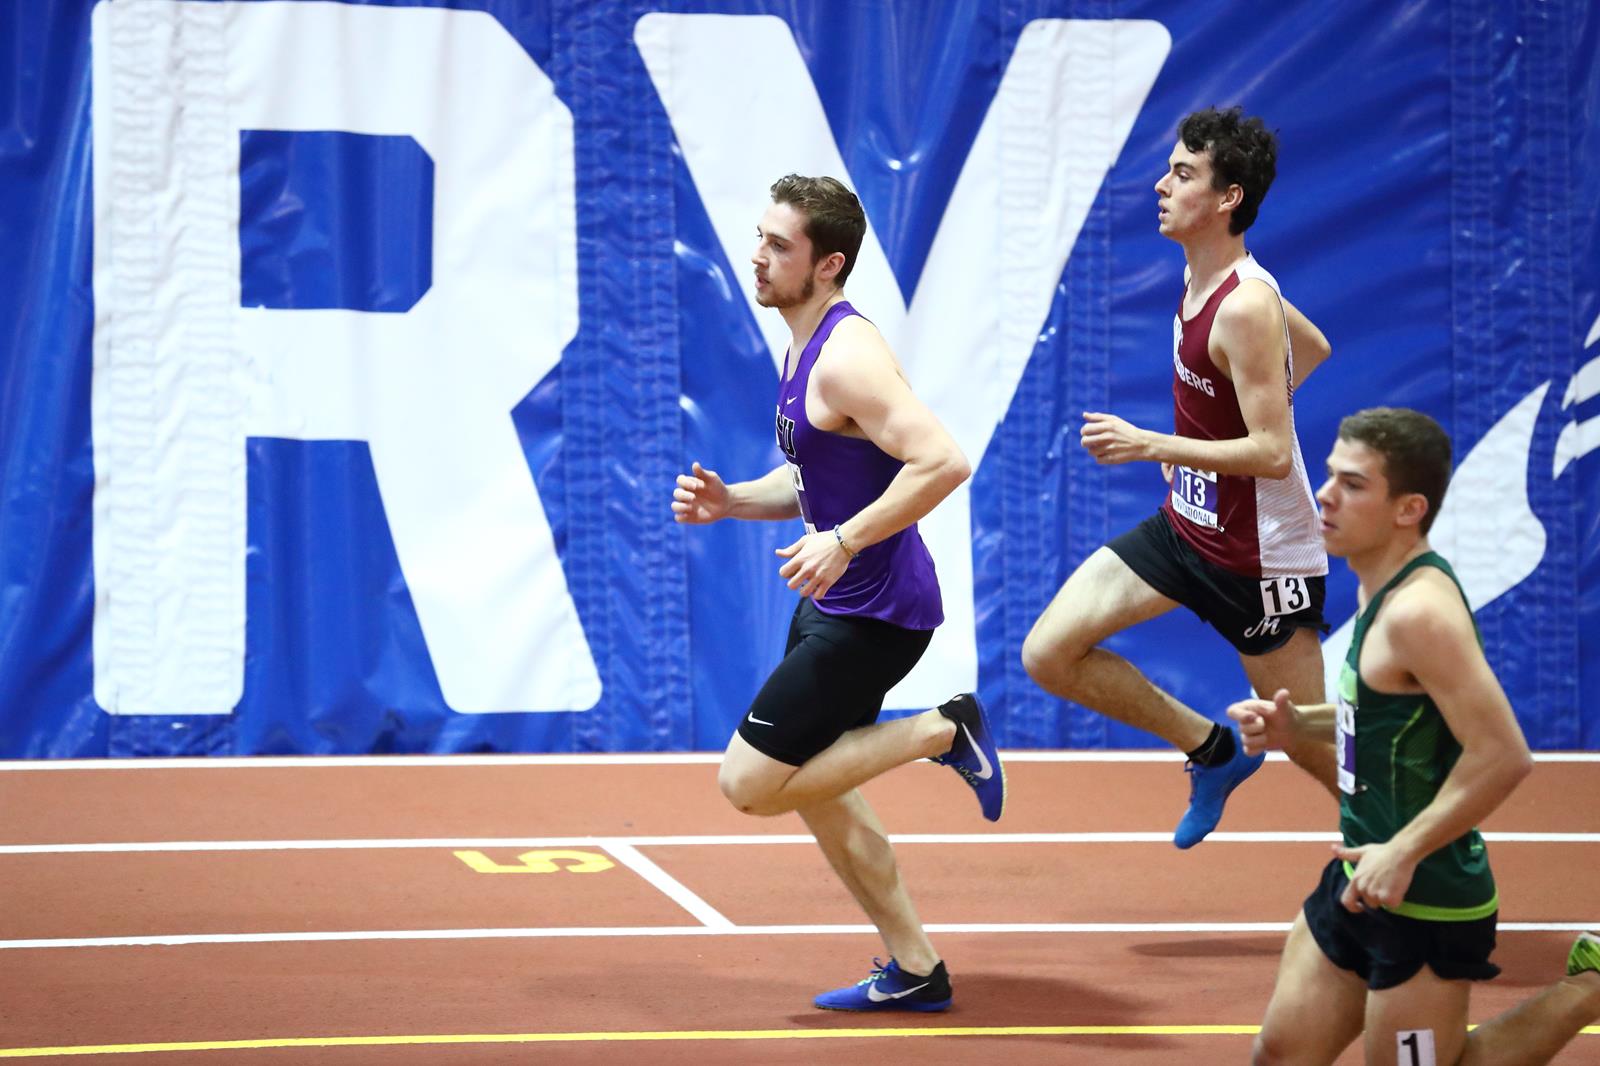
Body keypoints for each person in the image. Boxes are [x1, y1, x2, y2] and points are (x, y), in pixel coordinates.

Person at [672, 174, 1005, 1013]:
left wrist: (848, 539)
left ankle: (944, 728)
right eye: (760, 236)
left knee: (750, 783)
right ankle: (917, 969)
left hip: (878, 615)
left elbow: (943, 461)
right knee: (820, 792)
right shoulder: (802, 341)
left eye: (779, 245)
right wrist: (735, 502)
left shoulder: (848, 356)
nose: (758, 255)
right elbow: (818, 477)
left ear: (829, 264)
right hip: (838, 603)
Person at [1228, 407, 1600, 1065]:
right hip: (1357, 876)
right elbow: (1388, 712)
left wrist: (1400, 852)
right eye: (1330, 475)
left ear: (1409, 509)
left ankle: (1590, 986)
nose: (1325, 493)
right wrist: (1299, 724)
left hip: (1424, 896)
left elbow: (1504, 755)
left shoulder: (1420, 614)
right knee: (1279, 1055)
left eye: (1354, 484)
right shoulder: (1380, 585)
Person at [1022, 106, 1336, 848]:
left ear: (1228, 198)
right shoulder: (1204, 277)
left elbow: (1271, 454)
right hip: (1187, 530)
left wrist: (1155, 442)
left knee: (1316, 747)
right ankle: (1213, 750)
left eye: (1183, 174)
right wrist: (1195, 445)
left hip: (1259, 564)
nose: (1160, 185)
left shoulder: (1246, 304)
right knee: (1049, 652)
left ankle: (1423, 858)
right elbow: (1314, 348)